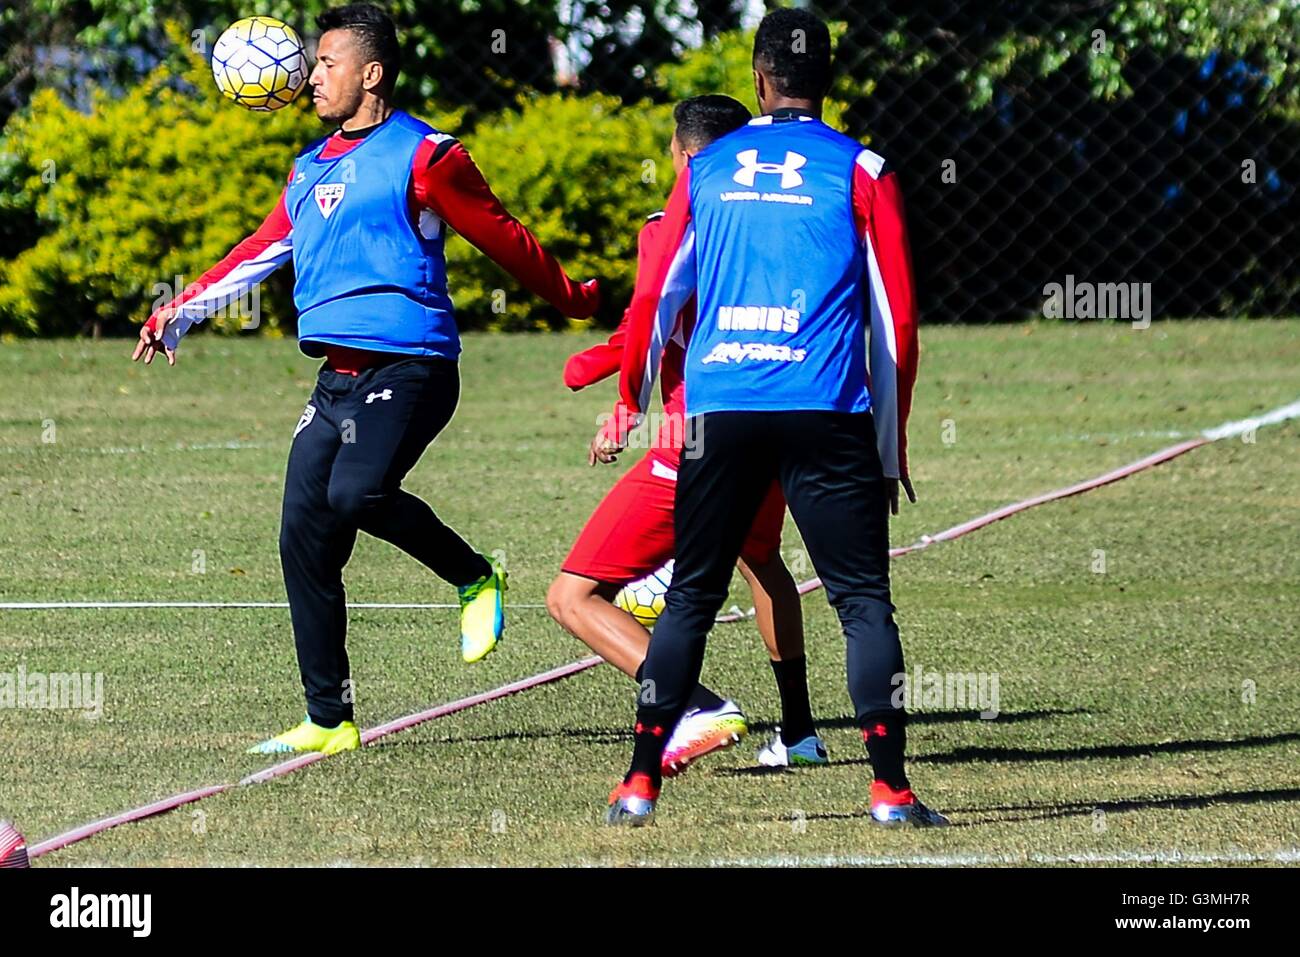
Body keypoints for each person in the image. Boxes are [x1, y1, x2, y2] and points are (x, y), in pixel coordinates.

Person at [133, 3, 599, 755]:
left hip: (411, 366)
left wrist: (577, 298)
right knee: (302, 539)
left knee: (356, 492)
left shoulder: (426, 155)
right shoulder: (310, 167)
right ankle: (330, 718)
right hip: (336, 382)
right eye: (313, 64)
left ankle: (475, 575)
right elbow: (257, 251)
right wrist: (174, 312)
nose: (310, 76)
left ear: (371, 73)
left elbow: (503, 235)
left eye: (326, 63)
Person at [602, 8, 946, 827]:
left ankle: (640, 781)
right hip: (825, 409)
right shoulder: (863, 168)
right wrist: (890, 446)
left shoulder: (708, 164)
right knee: (863, 602)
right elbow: (896, 319)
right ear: (826, 81)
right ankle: (891, 790)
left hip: (721, 407)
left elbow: (658, 294)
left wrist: (632, 395)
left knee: (689, 595)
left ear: (758, 79)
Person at [547, 95, 828, 777]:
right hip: (788, 421)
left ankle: (696, 704)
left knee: (572, 595)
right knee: (761, 558)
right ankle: (799, 731)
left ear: (684, 153)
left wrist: (623, 401)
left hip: (699, 438)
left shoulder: (672, 222)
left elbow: (650, 313)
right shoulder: (788, 221)